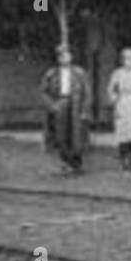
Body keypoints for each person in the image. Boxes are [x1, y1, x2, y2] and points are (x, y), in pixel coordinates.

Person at [40, 45, 92, 175]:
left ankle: (76, 163)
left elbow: (87, 92)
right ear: (57, 58)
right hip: (61, 103)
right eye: (61, 55)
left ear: (71, 56)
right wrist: (52, 105)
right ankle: (65, 161)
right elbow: (43, 92)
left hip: (76, 104)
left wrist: (85, 109)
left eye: (67, 55)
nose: (64, 58)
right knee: (61, 134)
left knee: (76, 135)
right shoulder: (51, 74)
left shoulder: (79, 73)